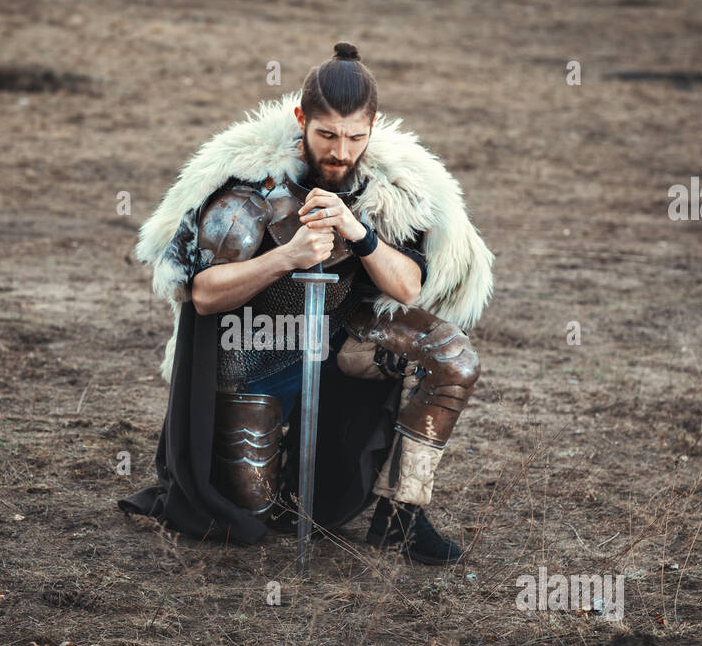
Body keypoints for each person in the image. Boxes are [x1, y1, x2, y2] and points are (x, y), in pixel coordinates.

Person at [119, 42, 495, 564]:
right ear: (301, 119)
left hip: (339, 340)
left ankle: (402, 516)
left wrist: (360, 234)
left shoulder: (384, 187)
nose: (341, 151)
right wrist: (288, 257)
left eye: (355, 137)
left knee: (453, 358)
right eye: (327, 135)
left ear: (373, 126)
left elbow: (407, 287)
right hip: (254, 351)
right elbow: (203, 295)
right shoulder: (249, 191)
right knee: (259, 513)